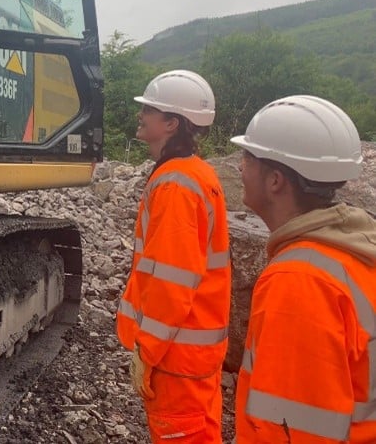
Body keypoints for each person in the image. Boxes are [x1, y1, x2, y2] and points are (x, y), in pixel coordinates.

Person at [231, 95, 375, 443]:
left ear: (275, 180)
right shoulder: (352, 251)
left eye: (248, 158)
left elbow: (292, 430)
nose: (239, 168)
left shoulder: (299, 281)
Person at [117, 69, 231, 443]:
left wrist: (147, 352)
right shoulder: (196, 173)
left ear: (171, 123)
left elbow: (171, 280)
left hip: (177, 357)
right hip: (194, 353)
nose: (141, 115)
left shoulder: (175, 186)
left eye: (149, 109)